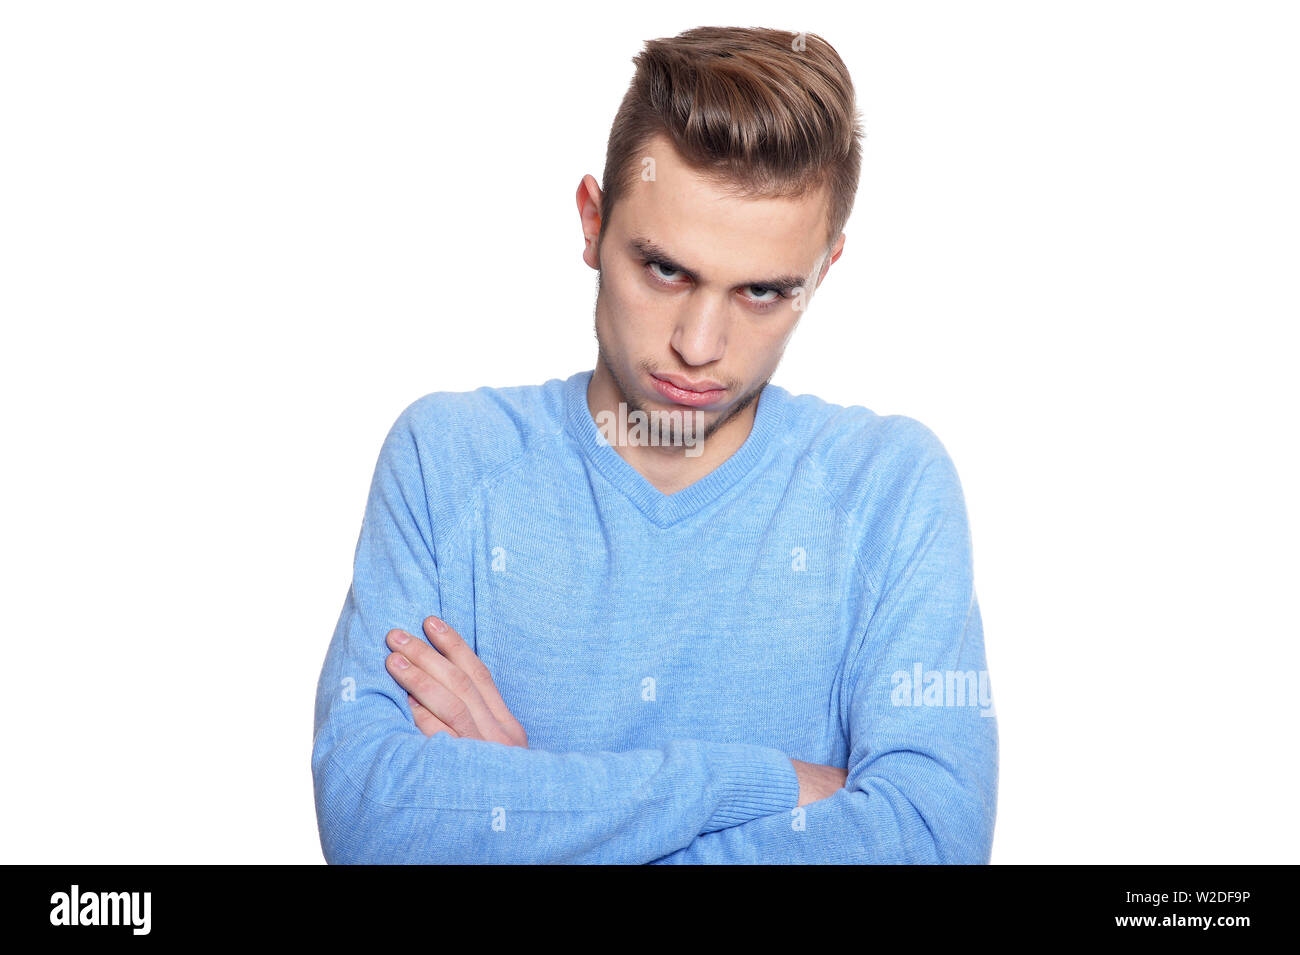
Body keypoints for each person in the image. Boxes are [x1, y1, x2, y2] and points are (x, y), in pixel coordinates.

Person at [311, 25, 998, 864]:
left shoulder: (889, 490)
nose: (700, 345)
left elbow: (928, 842)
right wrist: (763, 782)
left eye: (761, 291)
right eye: (666, 270)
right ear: (593, 223)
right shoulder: (446, 462)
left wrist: (528, 799)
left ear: (823, 273)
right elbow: (373, 824)